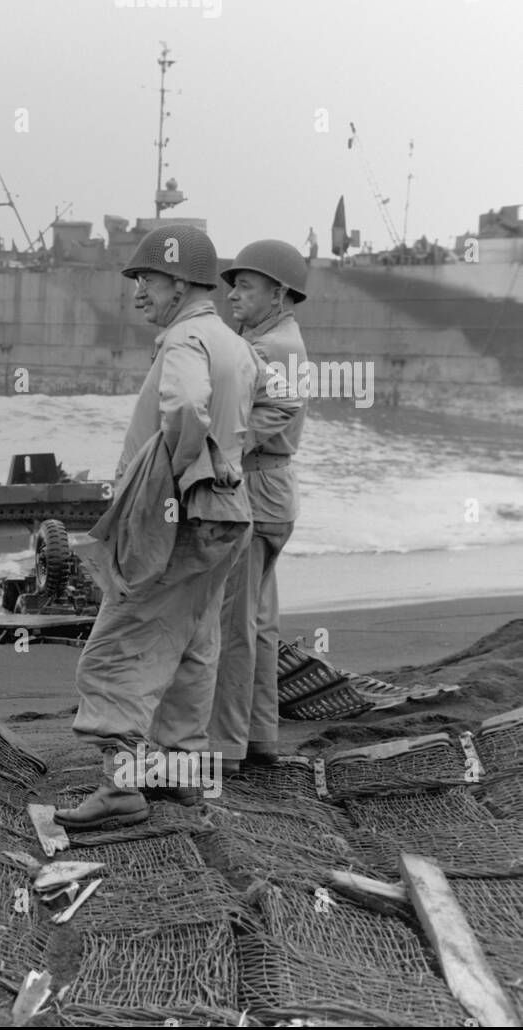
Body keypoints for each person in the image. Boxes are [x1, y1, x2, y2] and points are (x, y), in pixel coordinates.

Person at [56, 225, 258, 830]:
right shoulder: (235, 345)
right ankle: (180, 770)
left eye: (148, 278)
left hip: (181, 517)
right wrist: (214, 466)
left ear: (182, 282)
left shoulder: (184, 342)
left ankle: (120, 789)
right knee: (194, 642)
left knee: (117, 648)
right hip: (227, 515)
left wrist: (180, 472)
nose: (138, 290)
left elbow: (186, 407)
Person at [209, 240, 310, 773]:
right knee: (260, 621)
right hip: (274, 495)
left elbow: (249, 422)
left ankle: (224, 747)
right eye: (232, 285)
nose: (232, 296)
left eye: (245, 286)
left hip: (254, 495)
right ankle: (259, 735)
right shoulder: (279, 339)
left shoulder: (270, 348)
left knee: (232, 625)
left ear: (279, 293)